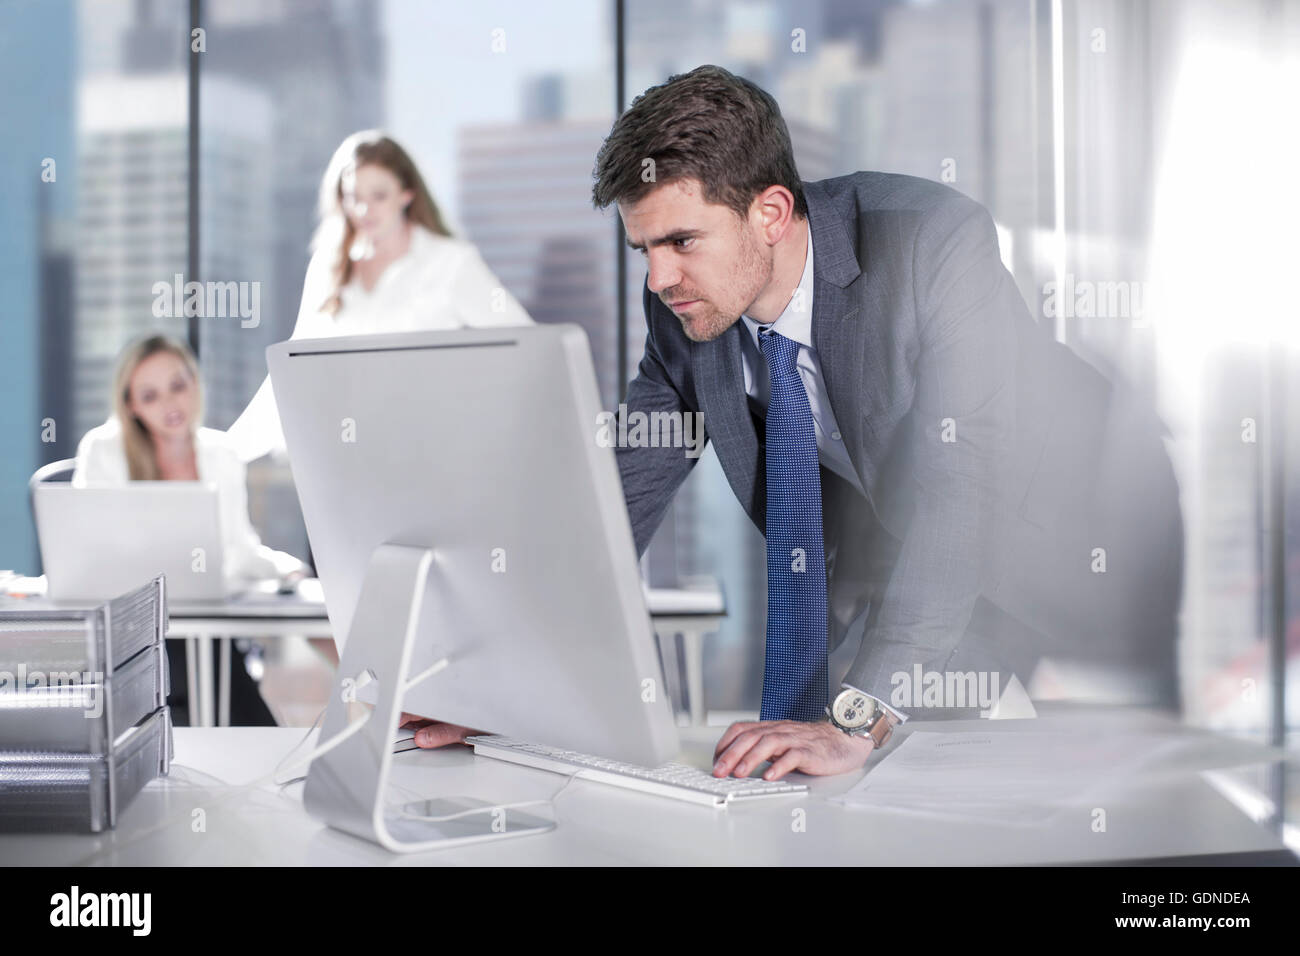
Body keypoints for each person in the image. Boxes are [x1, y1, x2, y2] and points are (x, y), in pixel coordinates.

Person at [407, 65, 1184, 781]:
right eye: (643, 248)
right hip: (910, 560)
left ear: (771, 212)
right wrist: (495, 682)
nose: (659, 277)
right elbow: (614, 501)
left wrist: (865, 710)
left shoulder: (931, 241)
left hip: (1082, 536)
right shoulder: (684, 306)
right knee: (832, 772)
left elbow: (963, 479)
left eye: (681, 241)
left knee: (1117, 794)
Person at [227, 129, 534, 463]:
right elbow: (295, 371)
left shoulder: (451, 263)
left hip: (431, 454)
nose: (363, 209)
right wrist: (227, 453)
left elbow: (526, 346)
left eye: (378, 195)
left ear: (407, 193)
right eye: (352, 196)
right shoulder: (328, 266)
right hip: (348, 458)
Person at [73, 333, 308, 725]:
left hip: (207, 631)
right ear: (130, 405)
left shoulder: (222, 454)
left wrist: (285, 568)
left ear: (195, 383)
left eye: (178, 386)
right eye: (150, 395)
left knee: (249, 720)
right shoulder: (103, 450)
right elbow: (95, 551)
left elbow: (239, 547)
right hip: (135, 633)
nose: (169, 404)